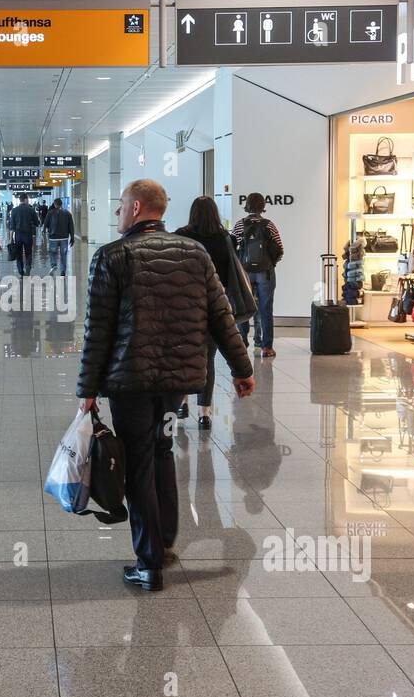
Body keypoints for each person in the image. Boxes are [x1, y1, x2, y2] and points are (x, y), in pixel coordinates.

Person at [77, 179, 255, 592]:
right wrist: (242, 368)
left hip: (130, 381)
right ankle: (166, 541)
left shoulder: (112, 256)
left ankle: (149, 561)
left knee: (137, 462)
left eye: (120, 206)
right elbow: (221, 314)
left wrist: (87, 388)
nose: (118, 213)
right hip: (177, 381)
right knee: (161, 451)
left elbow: (97, 332)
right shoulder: (195, 253)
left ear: (137, 207)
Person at [175, 196, 241, 429]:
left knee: (185, 357)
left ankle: (182, 403)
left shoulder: (181, 236)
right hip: (215, 306)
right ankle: (205, 413)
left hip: (186, 306)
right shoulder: (226, 238)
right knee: (208, 360)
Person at [231, 192, 284, 358]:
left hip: (245, 273)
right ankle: (267, 347)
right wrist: (270, 264)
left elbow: (232, 248)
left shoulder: (240, 225)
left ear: (247, 205)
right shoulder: (269, 225)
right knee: (266, 309)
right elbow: (280, 250)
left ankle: (242, 345)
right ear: (263, 206)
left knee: (244, 308)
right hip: (265, 273)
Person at [8, 194, 40, 276]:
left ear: (20, 200)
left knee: (19, 253)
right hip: (28, 235)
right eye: (28, 199)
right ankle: (28, 266)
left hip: (18, 235)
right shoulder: (31, 210)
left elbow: (12, 226)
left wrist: (11, 238)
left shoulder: (14, 210)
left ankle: (21, 271)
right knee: (28, 252)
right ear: (25, 199)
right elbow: (37, 223)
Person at [44, 196, 74, 276]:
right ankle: (63, 272)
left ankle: (54, 265)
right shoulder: (68, 213)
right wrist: (72, 238)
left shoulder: (50, 213)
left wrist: (44, 232)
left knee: (52, 252)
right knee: (63, 255)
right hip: (64, 238)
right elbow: (71, 226)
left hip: (53, 238)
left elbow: (45, 224)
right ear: (62, 204)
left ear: (54, 204)